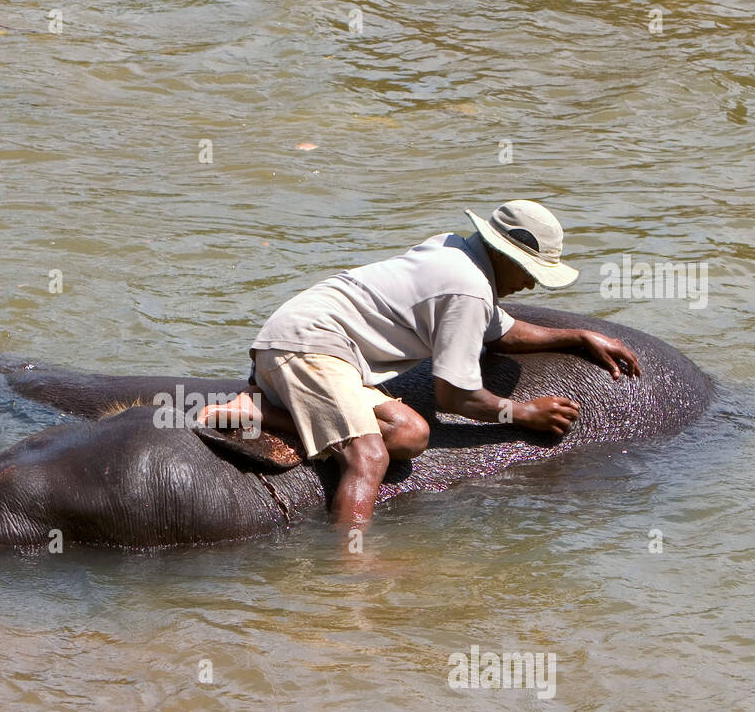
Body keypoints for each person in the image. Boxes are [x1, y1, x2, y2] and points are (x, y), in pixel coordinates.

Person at [196, 199, 642, 528]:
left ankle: (263, 413)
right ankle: (350, 566)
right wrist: (524, 412)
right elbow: (454, 395)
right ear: (506, 256)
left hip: (321, 348)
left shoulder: (456, 252)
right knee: (366, 456)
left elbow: (500, 331)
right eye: (530, 271)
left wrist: (578, 336)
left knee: (410, 435)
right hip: (311, 347)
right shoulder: (467, 286)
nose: (530, 284)